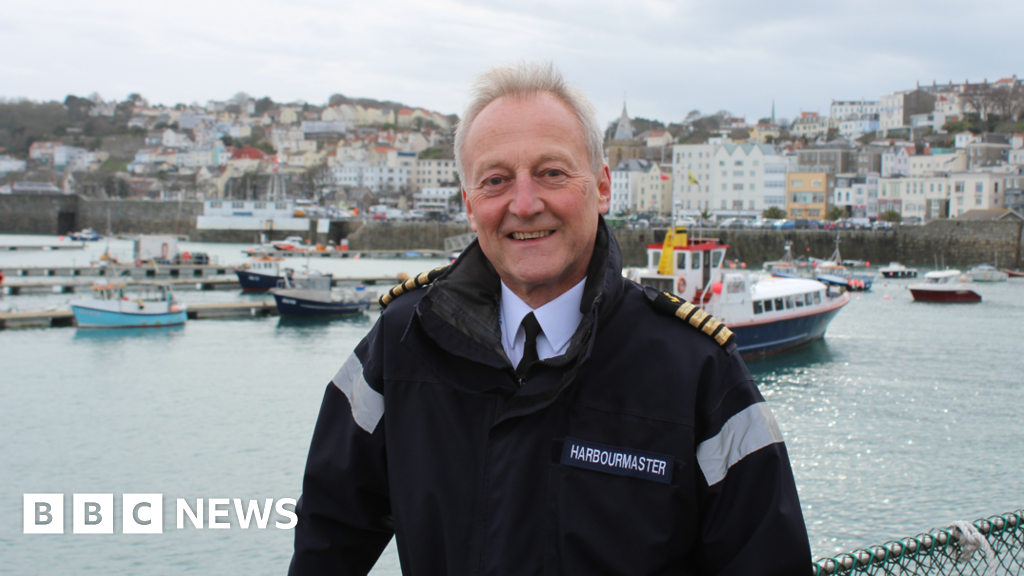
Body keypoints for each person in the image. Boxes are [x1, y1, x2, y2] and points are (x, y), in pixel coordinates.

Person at [289, 62, 811, 575]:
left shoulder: (697, 370)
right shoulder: (404, 338)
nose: (524, 204)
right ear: (469, 205)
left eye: (552, 173)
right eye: (496, 180)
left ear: (602, 187)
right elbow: (328, 533)